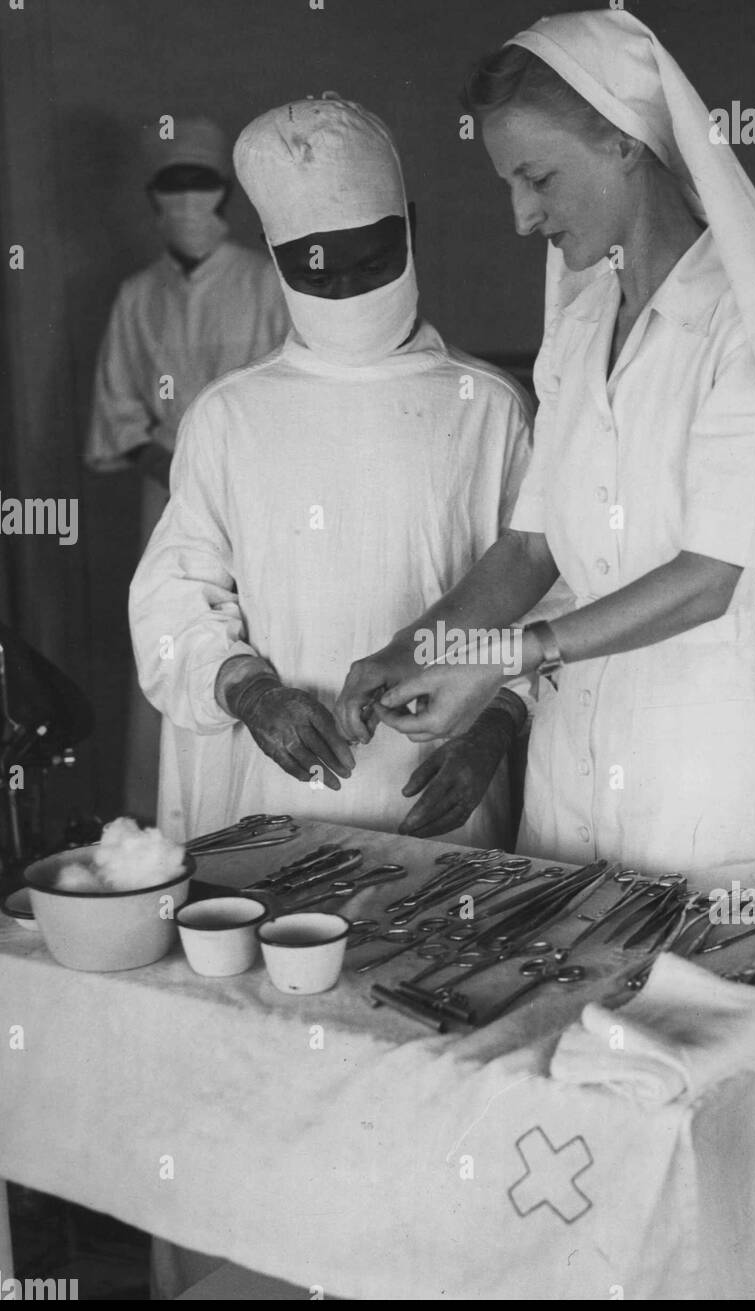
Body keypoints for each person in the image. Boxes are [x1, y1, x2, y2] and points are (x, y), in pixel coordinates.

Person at [337, 9, 755, 896]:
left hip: (693, 780)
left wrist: (504, 658)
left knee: (690, 1019)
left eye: (536, 177)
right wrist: (416, 643)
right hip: (567, 772)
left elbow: (714, 574)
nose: (519, 216)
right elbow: (531, 546)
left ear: (625, 143)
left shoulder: (749, 335)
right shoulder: (580, 330)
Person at [128, 96, 535, 861]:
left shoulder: (488, 408)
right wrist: (251, 693)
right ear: (275, 256)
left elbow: (552, 601)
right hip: (265, 789)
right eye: (321, 271)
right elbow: (172, 598)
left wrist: (495, 726)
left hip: (439, 792)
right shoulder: (229, 416)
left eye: (372, 262)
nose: (348, 291)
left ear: (411, 226)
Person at [86, 116, 289, 821]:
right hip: (169, 496)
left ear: (225, 194)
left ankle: (259, 817)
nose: (186, 198)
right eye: (171, 184)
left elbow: (286, 397)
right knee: (181, 635)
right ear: (152, 196)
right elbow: (117, 417)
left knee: (261, 642)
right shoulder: (138, 296)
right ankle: (177, 827)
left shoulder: (266, 282)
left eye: (199, 182)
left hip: (262, 495)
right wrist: (180, 465)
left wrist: (228, 467)